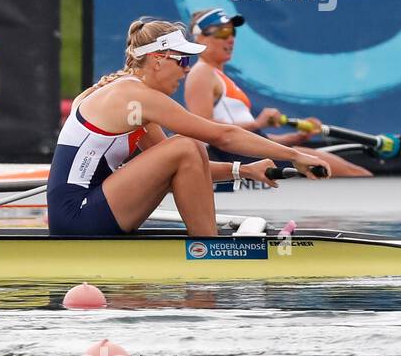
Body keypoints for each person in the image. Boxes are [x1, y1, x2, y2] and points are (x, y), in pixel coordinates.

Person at [47, 17, 331, 237]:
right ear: (157, 61)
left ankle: (208, 245)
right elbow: (223, 136)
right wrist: (294, 156)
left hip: (87, 211)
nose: (186, 69)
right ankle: (210, 250)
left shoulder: (134, 103)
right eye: (182, 60)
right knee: (186, 144)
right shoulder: (133, 96)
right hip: (78, 215)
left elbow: (188, 169)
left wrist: (242, 170)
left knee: (186, 149)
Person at [184, 8, 371, 176]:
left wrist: (293, 138)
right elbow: (204, 129)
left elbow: (254, 139)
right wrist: (258, 123)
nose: (231, 38)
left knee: (355, 172)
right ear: (200, 37)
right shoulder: (201, 73)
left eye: (232, 31)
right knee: (353, 173)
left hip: (251, 153)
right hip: (241, 158)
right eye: (223, 31)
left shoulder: (218, 76)